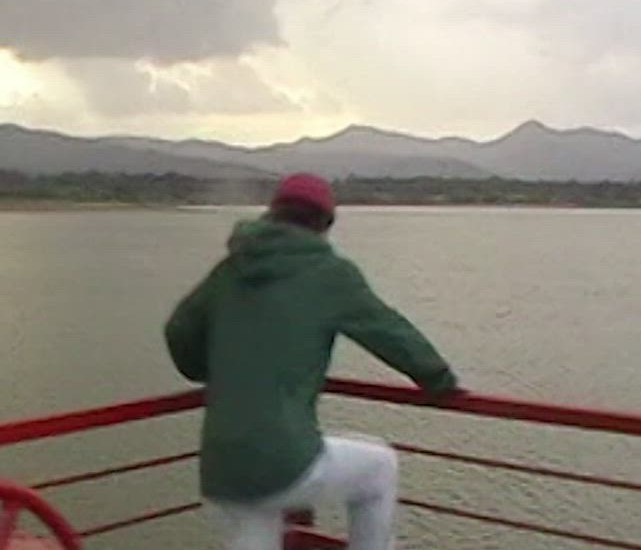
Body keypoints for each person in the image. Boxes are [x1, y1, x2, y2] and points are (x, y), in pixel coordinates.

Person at [164, 173, 460, 550]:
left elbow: (178, 331)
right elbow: (390, 332)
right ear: (324, 224)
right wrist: (439, 379)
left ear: (272, 214)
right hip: (282, 463)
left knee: (255, 528)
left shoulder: (230, 269)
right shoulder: (329, 273)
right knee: (379, 467)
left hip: (222, 467)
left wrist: (211, 369)